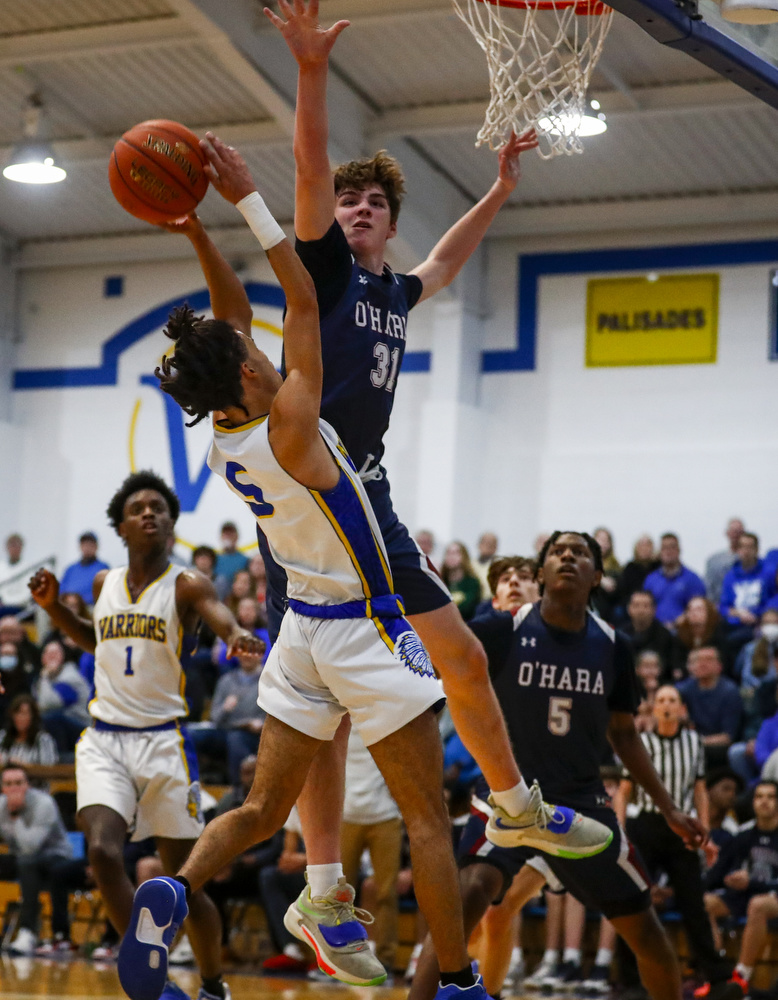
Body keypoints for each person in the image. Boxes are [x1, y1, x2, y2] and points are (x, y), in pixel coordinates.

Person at [113, 139, 609, 1000]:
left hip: (300, 627)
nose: (268, 355)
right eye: (257, 358)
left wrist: (196, 232)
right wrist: (247, 202)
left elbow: (236, 315)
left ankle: (175, 888)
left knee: (261, 811)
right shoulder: (294, 419)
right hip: (357, 625)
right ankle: (455, 980)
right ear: (249, 374)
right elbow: (298, 296)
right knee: (427, 815)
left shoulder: (233, 437)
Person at [259, 6, 591, 963]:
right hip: (307, 505)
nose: (357, 211)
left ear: (390, 223)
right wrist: (313, 74)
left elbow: (445, 261)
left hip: (370, 496)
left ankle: (516, 805)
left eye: (373, 206)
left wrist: (498, 188)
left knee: (466, 658)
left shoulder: (395, 290)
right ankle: (323, 893)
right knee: (317, 715)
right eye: (351, 202)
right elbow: (309, 173)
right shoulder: (320, 269)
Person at [409, 530, 708, 1000]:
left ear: (597, 576)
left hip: (581, 806)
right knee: (466, 900)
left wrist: (669, 808)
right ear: (543, 572)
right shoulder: (502, 630)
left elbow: (626, 735)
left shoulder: (614, 646)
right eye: (557, 551)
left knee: (648, 933)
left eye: (580, 552)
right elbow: (436, 678)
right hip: (507, 798)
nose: (567, 556)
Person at [28, 469, 264, 1000]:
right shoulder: (100, 584)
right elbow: (94, 639)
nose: (150, 513)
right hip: (106, 737)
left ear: (172, 525)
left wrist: (237, 634)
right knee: (105, 854)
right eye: (138, 508)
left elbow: (219, 615)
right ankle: (146, 975)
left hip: (164, 741)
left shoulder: (187, 583)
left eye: (159, 507)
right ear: (122, 527)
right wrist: (51, 610)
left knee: (186, 883)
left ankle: (211, 984)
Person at [617, 685, 735, 1000]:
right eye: (662, 701)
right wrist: (621, 832)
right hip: (644, 825)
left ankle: (718, 979)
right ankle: (629, 981)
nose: (667, 705)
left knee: (693, 904)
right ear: (654, 709)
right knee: (634, 901)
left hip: (680, 828)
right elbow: (624, 791)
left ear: (682, 709)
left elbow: (699, 790)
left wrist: (704, 830)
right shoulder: (641, 741)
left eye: (673, 700)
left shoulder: (694, 742)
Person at [0, 763, 86, 954]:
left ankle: (28, 931)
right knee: (23, 862)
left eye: (18, 782)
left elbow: (30, 846)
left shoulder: (44, 803)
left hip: (55, 856)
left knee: (27, 863)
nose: (14, 788)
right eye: (8, 783)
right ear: (2, 788)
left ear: (27, 785)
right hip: (21, 856)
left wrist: (15, 815)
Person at [703, 780, 778, 995]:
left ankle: (741, 978)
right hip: (744, 894)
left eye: (771, 797)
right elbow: (716, 875)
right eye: (760, 796)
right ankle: (716, 974)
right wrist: (729, 878)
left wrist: (752, 882)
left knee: (758, 904)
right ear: (753, 802)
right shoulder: (743, 835)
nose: (764, 802)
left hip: (769, 897)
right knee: (705, 904)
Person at [677, 647, 742, 768]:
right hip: (692, 742)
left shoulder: (730, 692)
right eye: (698, 660)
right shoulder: (683, 689)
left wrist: (697, 742)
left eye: (708, 660)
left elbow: (727, 737)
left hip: (716, 747)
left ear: (719, 666)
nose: (702, 664)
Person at [34, 638, 91, 756]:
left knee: (52, 718)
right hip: (66, 726)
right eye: (48, 653)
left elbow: (47, 705)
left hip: (82, 727)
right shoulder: (44, 678)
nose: (51, 657)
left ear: (64, 656)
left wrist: (44, 677)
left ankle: (61, 757)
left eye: (55, 653)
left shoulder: (70, 677)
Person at [644, 533, 706, 627]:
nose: (668, 551)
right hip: (655, 631)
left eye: (672, 547)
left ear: (679, 550)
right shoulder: (651, 579)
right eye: (664, 548)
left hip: (683, 630)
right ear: (660, 552)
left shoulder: (692, 579)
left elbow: (701, 608)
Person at [623, 590, 682, 682]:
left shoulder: (665, 636)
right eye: (636, 606)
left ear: (654, 609)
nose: (641, 610)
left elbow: (671, 669)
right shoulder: (621, 635)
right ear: (629, 609)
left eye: (646, 606)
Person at [0, 693, 58, 784]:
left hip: (35, 788)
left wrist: (24, 766)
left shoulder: (43, 740)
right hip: (5, 790)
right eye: (17, 713)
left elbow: (49, 771)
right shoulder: (2, 737)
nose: (21, 718)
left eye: (25, 713)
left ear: (32, 717)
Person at [59, 532, 110, 607]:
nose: (87, 548)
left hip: (89, 607)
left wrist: (79, 600)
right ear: (80, 547)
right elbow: (61, 589)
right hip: (68, 606)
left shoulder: (102, 568)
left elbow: (104, 592)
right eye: (85, 545)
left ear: (96, 547)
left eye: (90, 545)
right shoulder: (71, 569)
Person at [706, 519, 745, 606]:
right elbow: (709, 588)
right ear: (727, 533)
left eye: (739, 531)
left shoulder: (752, 560)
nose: (736, 534)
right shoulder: (714, 561)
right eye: (733, 531)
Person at [440, 541, 482, 621]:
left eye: (456, 553)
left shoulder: (472, 583)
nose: (451, 556)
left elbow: (468, 609)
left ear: (464, 556)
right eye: (448, 553)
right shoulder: (440, 582)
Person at [473, 532, 499, 597]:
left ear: (495, 547)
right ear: (479, 545)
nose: (487, 546)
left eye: (491, 544)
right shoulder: (470, 565)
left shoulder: (498, 565)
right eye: (484, 542)